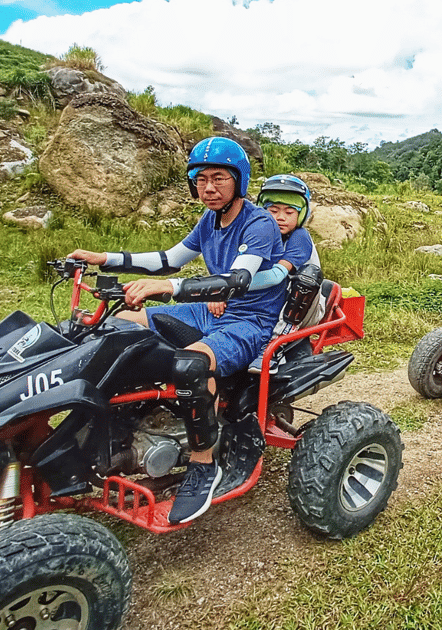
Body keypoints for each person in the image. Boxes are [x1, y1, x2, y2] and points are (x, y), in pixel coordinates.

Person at [67, 137, 286, 524]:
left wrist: (167, 289)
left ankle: (203, 465)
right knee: (114, 326)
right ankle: (113, 422)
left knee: (191, 367)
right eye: (200, 179)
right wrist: (106, 258)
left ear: (240, 181)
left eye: (219, 178)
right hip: (207, 311)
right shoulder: (209, 219)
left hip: (247, 320)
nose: (209, 188)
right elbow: (169, 260)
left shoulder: (259, 223)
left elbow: (236, 280)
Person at [244, 174, 324, 373]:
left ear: (301, 214)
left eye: (289, 212)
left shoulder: (299, 237)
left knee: (306, 279)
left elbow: (275, 276)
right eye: (273, 210)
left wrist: (229, 285)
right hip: (267, 301)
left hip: (300, 305)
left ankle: (275, 345)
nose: (280, 217)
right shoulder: (257, 234)